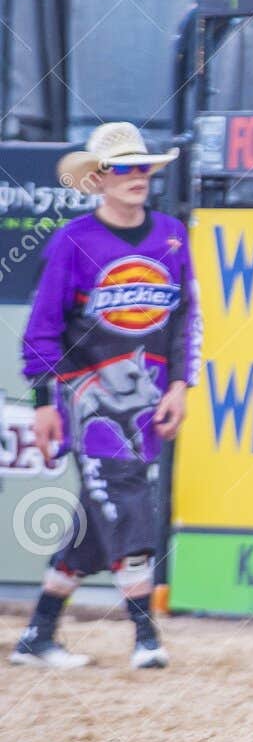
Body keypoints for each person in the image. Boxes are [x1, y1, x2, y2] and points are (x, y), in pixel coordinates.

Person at [12, 123, 199, 671]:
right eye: (124, 168)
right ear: (99, 179)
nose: (138, 177)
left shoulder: (172, 234)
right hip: (86, 399)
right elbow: (42, 328)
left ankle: (37, 634)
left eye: (144, 167)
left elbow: (187, 317)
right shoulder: (73, 241)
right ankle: (145, 637)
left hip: (149, 401)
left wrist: (182, 385)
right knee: (128, 504)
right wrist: (45, 399)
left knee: (96, 523)